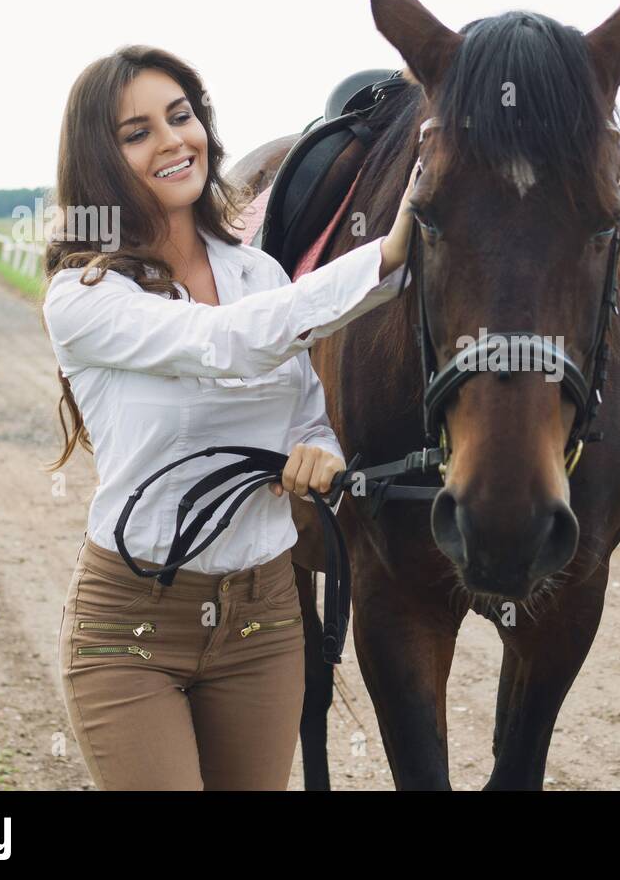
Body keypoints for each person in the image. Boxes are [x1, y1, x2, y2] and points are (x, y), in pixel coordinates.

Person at [40, 45, 416, 789]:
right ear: (99, 159)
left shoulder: (260, 275)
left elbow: (304, 415)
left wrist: (316, 453)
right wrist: (388, 254)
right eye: (137, 131)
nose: (174, 140)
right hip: (133, 626)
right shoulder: (84, 298)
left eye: (181, 116)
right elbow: (225, 343)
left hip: (263, 619)